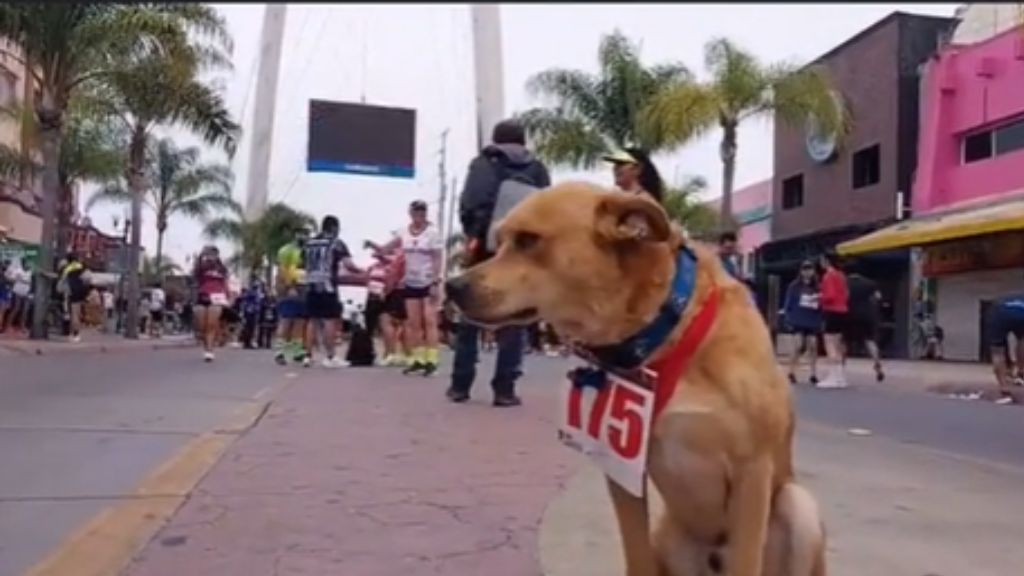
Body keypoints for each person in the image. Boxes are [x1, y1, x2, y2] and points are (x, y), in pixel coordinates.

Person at [449, 119, 551, 406]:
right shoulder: (537, 168)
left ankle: (460, 385)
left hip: (485, 246)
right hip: (519, 252)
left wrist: (474, 236)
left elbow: (471, 202)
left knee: (471, 309)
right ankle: (504, 389)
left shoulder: (484, 163)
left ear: (496, 138)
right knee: (513, 316)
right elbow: (546, 208)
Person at [367, 200, 444, 376]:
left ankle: (431, 359)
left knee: (429, 321)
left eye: (422, 212)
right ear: (410, 213)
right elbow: (386, 248)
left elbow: (437, 258)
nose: (419, 215)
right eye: (416, 212)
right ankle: (418, 358)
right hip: (411, 281)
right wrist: (373, 246)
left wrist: (435, 282)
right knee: (413, 322)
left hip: (428, 281)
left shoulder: (432, 233)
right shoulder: (404, 232)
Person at [302, 215, 364, 368]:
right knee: (330, 320)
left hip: (311, 285)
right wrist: (362, 272)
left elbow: (303, 263)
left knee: (313, 321)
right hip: (328, 286)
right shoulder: (336, 243)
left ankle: (308, 356)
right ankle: (331, 356)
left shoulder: (309, 243)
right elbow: (348, 265)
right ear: (334, 227)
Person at [782, 260, 823, 385]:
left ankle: (813, 373)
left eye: (810, 269)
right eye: (805, 269)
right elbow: (788, 303)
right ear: (801, 271)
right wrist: (788, 317)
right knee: (797, 345)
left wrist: (821, 317)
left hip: (812, 319)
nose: (807, 272)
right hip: (798, 318)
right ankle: (791, 372)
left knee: (813, 345)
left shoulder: (818, 286)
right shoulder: (794, 286)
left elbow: (822, 302)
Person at [274, 228, 309, 365]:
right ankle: (280, 352)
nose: (304, 237)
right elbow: (282, 270)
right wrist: (289, 287)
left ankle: (297, 351)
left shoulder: (308, 250)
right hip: (290, 289)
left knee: (300, 322)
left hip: (304, 289)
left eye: (306, 234)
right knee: (286, 320)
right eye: (301, 234)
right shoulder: (286, 250)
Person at [844, 271, 885, 382]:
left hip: (850, 315)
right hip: (868, 315)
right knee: (870, 340)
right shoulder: (871, 283)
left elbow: (844, 297)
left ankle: (840, 369)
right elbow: (878, 297)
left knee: (843, 342)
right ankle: (877, 364)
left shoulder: (845, 283)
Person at [192, 245, 231, 362]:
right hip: (202, 296)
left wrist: (228, 298)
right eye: (208, 254)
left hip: (217, 298)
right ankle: (206, 347)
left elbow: (226, 283)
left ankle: (210, 350)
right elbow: (195, 274)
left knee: (211, 324)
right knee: (202, 326)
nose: (210, 256)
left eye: (213, 254)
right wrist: (201, 256)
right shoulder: (201, 268)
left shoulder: (222, 269)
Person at [817, 250, 849, 389]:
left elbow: (829, 295)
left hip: (831, 311)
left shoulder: (828, 276)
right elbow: (846, 294)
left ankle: (833, 376)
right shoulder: (841, 275)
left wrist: (819, 297)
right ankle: (840, 377)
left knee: (830, 344)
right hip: (842, 310)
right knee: (838, 345)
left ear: (826, 261)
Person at [986, 293, 1024, 405]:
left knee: (997, 352)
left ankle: (1004, 388)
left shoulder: (1000, 302)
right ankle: (1021, 372)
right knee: (1022, 340)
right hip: (1021, 314)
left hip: (999, 313)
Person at [58, 252, 89, 343]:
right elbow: (88, 278)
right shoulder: (81, 266)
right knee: (76, 313)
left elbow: (62, 280)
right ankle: (75, 334)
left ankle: (74, 334)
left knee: (71, 314)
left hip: (71, 291)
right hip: (80, 291)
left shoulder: (66, 269)